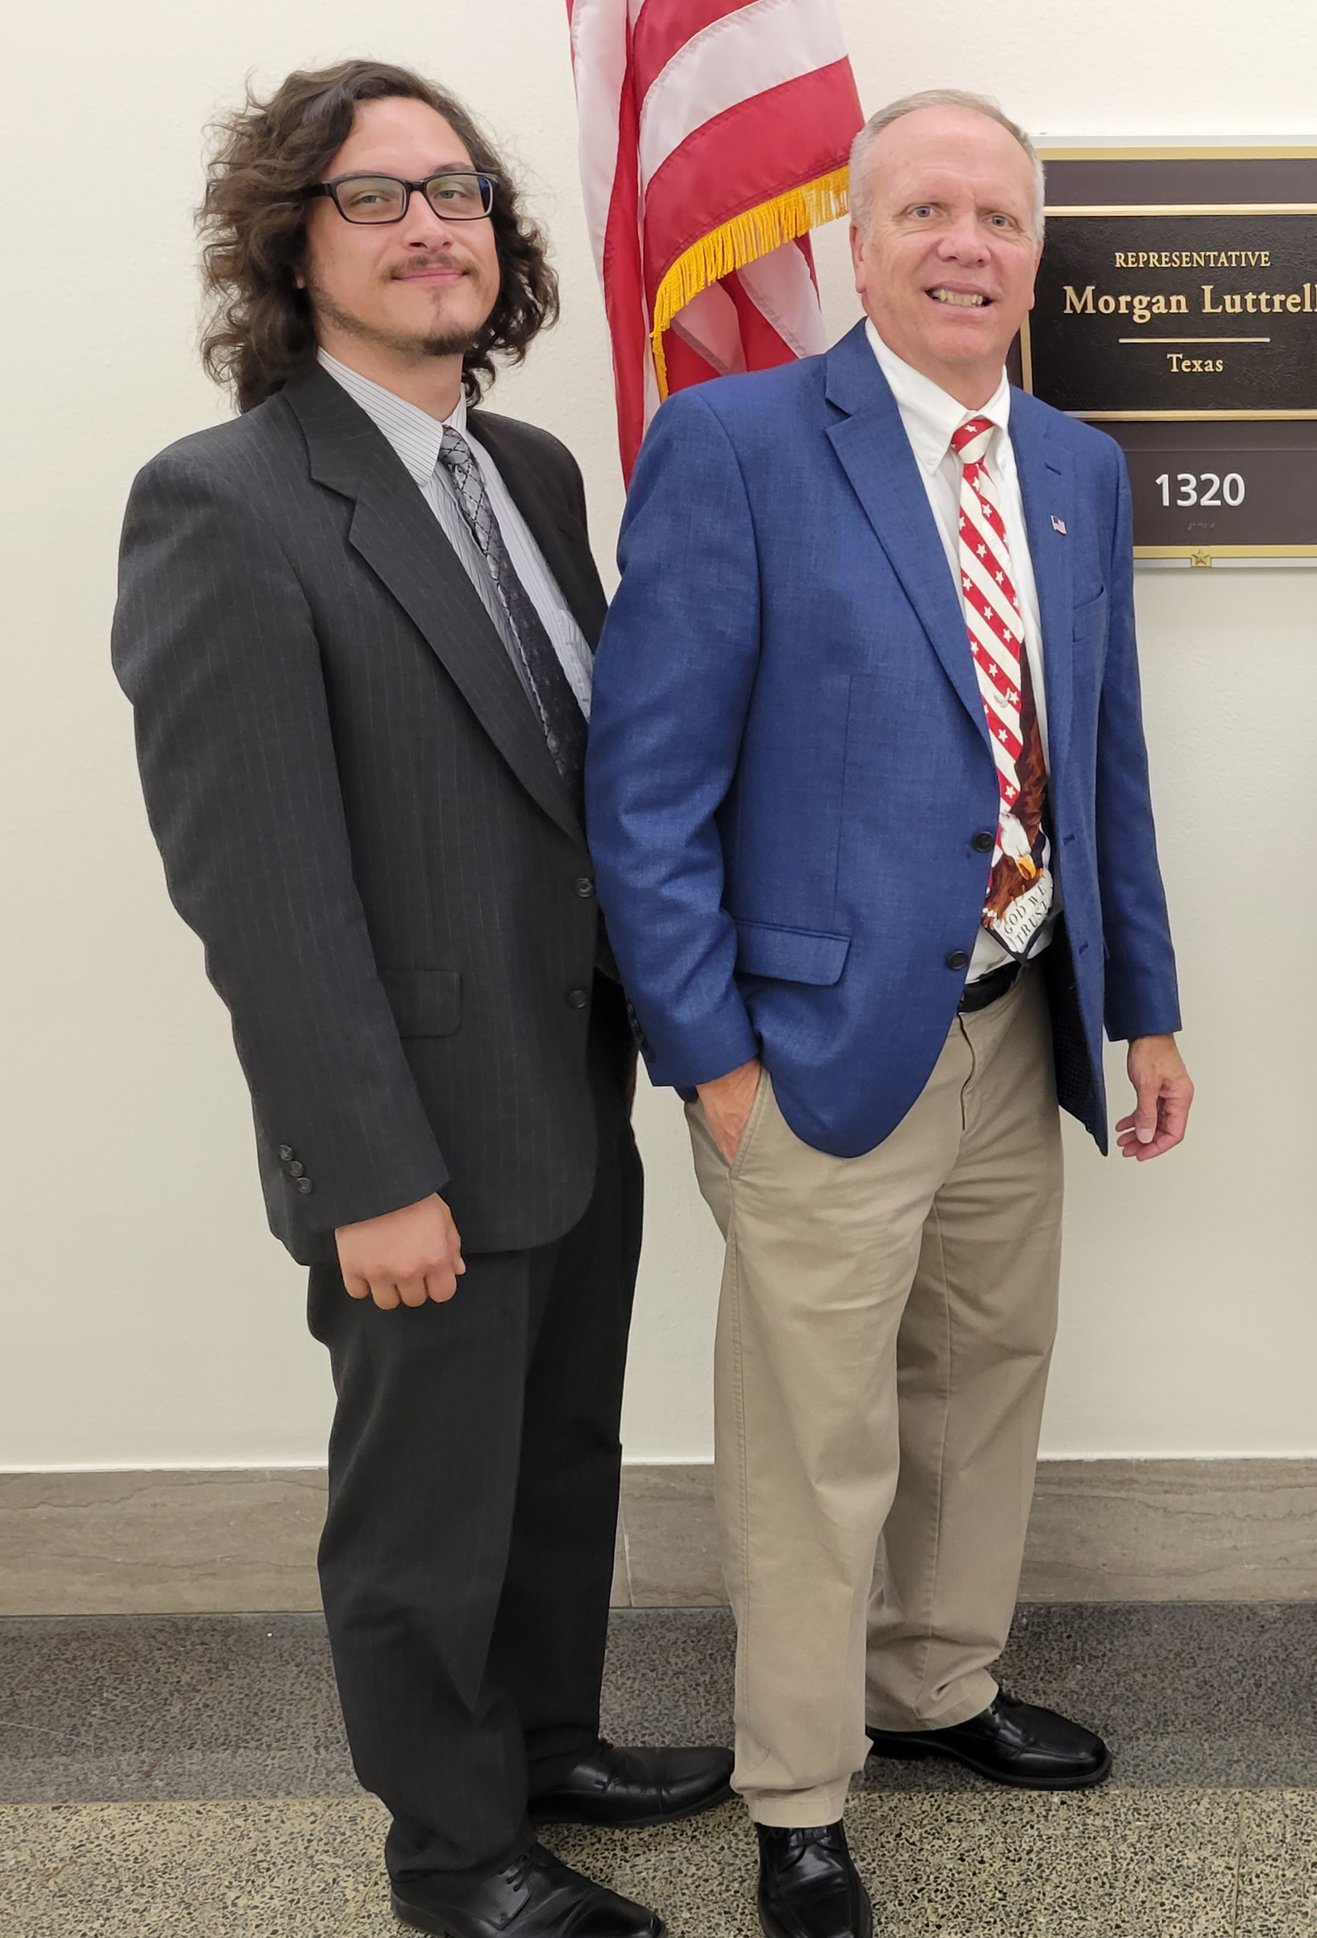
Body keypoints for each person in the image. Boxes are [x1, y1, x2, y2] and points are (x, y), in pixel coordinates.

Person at [111, 61, 731, 1938]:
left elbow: (576, 780)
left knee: (558, 1457)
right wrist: (365, 1167)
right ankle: (456, 1853)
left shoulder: (528, 472)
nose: (432, 226)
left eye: (456, 192)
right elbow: (262, 891)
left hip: (569, 1083)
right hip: (412, 1128)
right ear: (289, 248)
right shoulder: (224, 504)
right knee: (424, 1513)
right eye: (376, 199)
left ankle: (547, 1742)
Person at [586, 88, 1190, 1938]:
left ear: (1036, 248)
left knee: (983, 1383)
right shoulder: (741, 440)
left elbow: (1103, 759)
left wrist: (1143, 1006)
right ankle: (796, 1787)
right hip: (811, 1052)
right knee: (811, 1441)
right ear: (857, 240)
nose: (965, 246)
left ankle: (933, 1686)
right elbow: (647, 793)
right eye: (925, 211)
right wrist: (713, 1069)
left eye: (999, 217)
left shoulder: (1078, 465)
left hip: (1020, 1020)